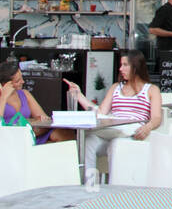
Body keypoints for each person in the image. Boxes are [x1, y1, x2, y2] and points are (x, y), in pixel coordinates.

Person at [68, 50, 163, 180]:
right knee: (89, 141)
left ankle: (114, 187)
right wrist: (79, 95)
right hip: (111, 129)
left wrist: (147, 127)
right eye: (121, 64)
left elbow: (157, 118)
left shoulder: (151, 89)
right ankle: (88, 185)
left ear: (136, 66)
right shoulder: (116, 87)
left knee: (116, 142)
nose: (120, 69)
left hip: (133, 131)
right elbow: (100, 113)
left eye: (125, 65)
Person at [0, 59, 68, 142]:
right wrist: (3, 98)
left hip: (28, 134)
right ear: (4, 84)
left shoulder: (24, 94)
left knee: (63, 133)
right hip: (4, 139)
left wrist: (37, 121)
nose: (23, 82)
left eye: (22, 78)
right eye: (18, 80)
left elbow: (44, 120)